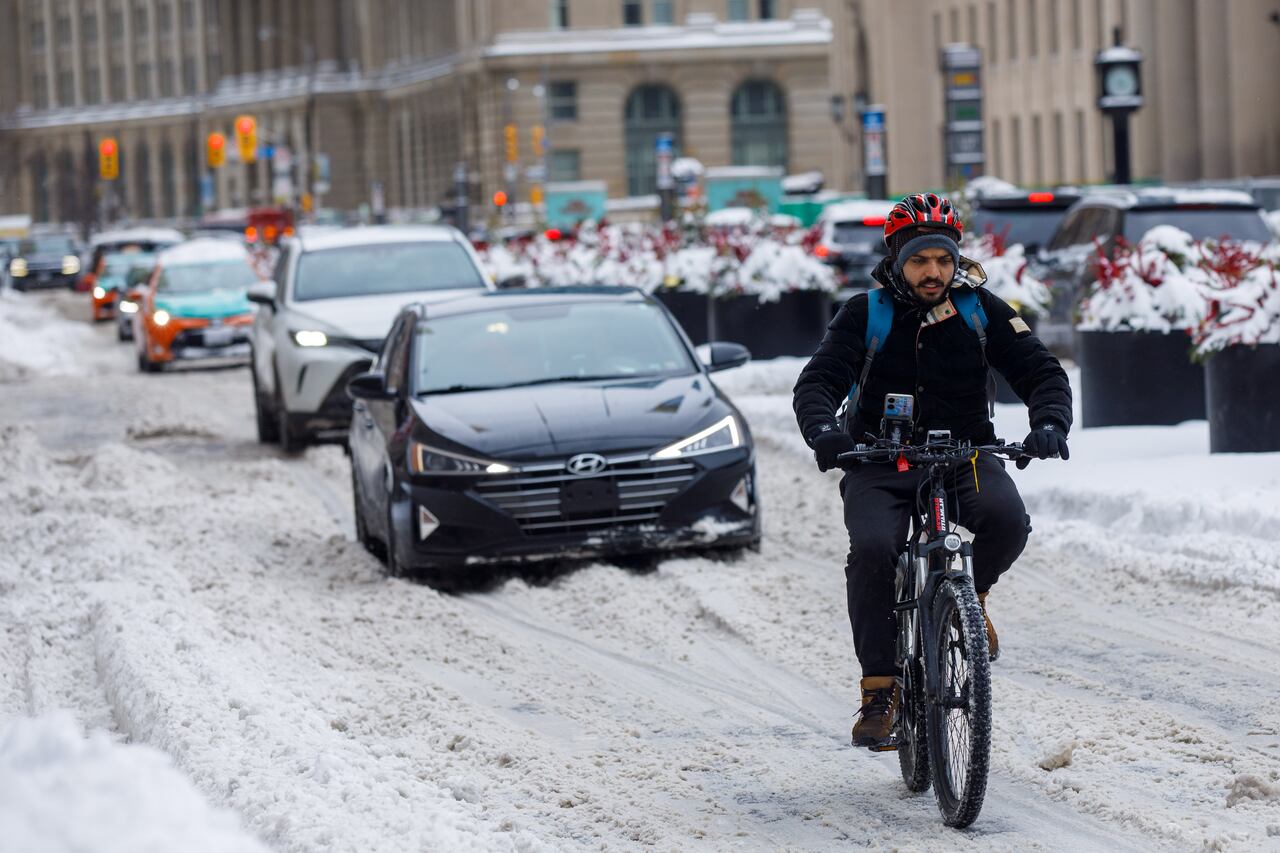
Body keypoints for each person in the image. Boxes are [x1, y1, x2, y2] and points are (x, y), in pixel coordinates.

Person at [792, 192, 1073, 750]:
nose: (934, 272)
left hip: (964, 453)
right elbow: (819, 381)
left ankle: (972, 599)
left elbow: (1041, 371)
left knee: (1007, 519)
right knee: (873, 548)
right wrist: (826, 433)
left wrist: (1050, 423)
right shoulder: (864, 313)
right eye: (920, 260)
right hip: (878, 458)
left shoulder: (980, 309)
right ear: (897, 258)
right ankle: (880, 689)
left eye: (944, 260)